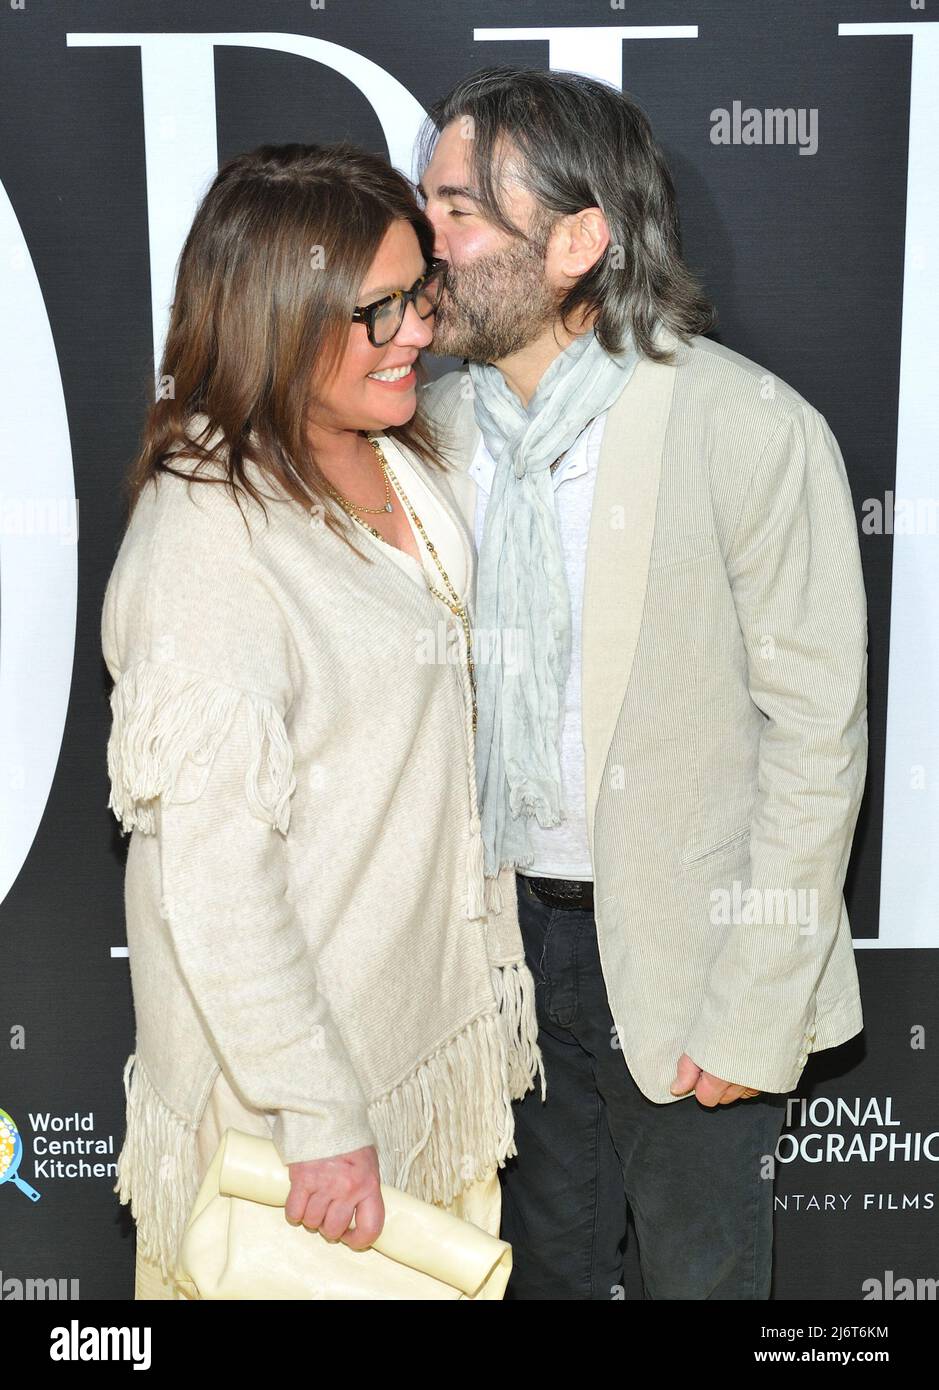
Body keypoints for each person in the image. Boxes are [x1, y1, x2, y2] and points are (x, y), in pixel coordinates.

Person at [415, 66, 869, 1299]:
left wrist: (751, 1011)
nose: (423, 240)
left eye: (460, 210)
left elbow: (815, 737)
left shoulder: (747, 428)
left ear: (577, 239)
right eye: (427, 202)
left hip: (692, 965)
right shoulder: (426, 444)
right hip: (497, 970)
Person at [101, 141, 544, 1300]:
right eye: (377, 310)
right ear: (273, 318)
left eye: (422, 292)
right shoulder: (210, 539)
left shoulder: (399, 447)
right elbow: (213, 874)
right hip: (297, 1116)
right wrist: (319, 1110)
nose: (416, 331)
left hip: (415, 1044)